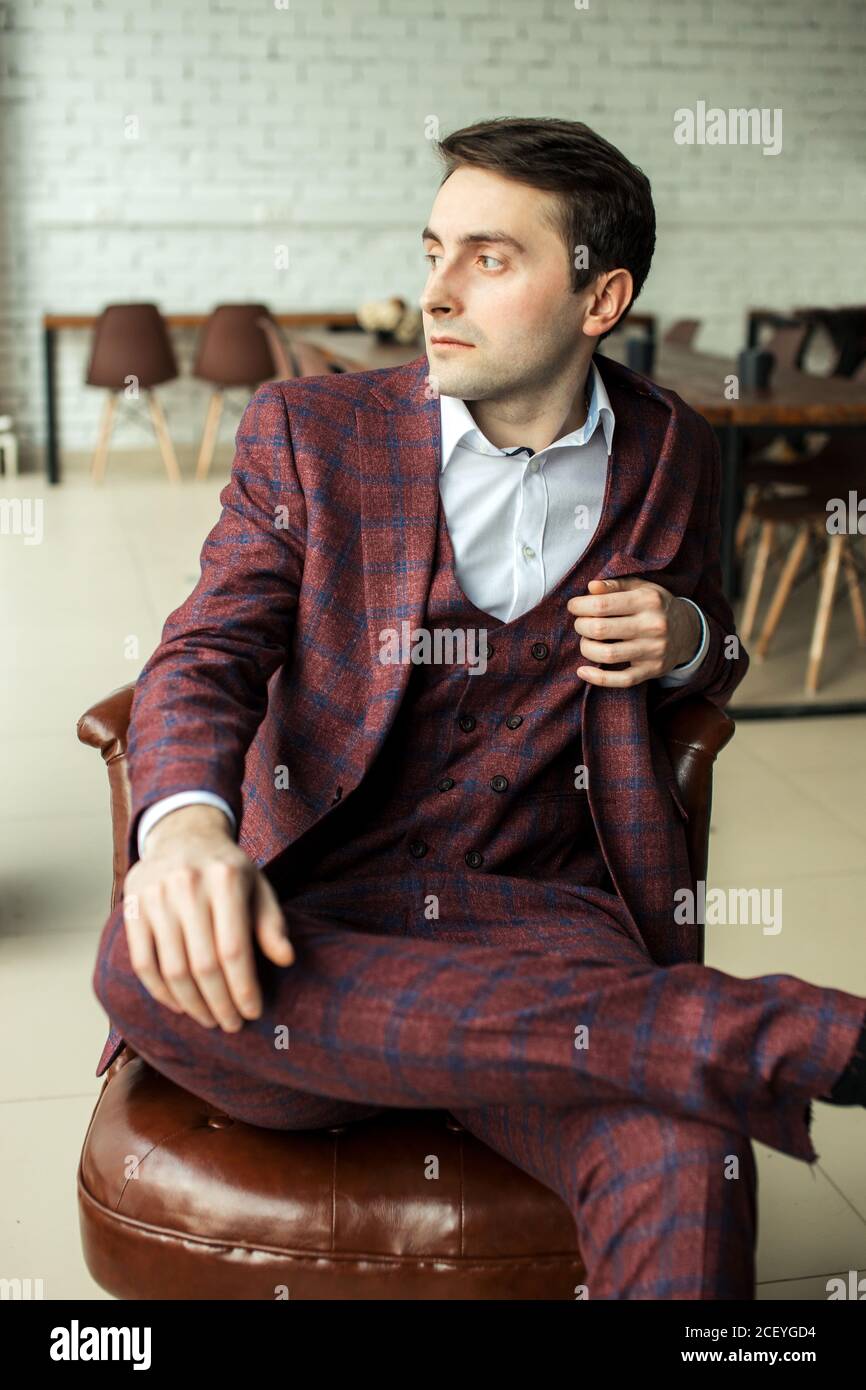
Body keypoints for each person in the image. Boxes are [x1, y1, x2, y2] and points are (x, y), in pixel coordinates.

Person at [92, 117, 866, 1300]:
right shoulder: (312, 434)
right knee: (142, 964)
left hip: (545, 920)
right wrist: (188, 828)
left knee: (687, 1150)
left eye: (489, 259)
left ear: (598, 297)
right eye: (431, 250)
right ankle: (744, 1030)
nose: (434, 293)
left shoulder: (672, 449)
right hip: (316, 923)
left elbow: (721, 650)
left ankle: (687, 1035)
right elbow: (204, 651)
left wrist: (686, 638)